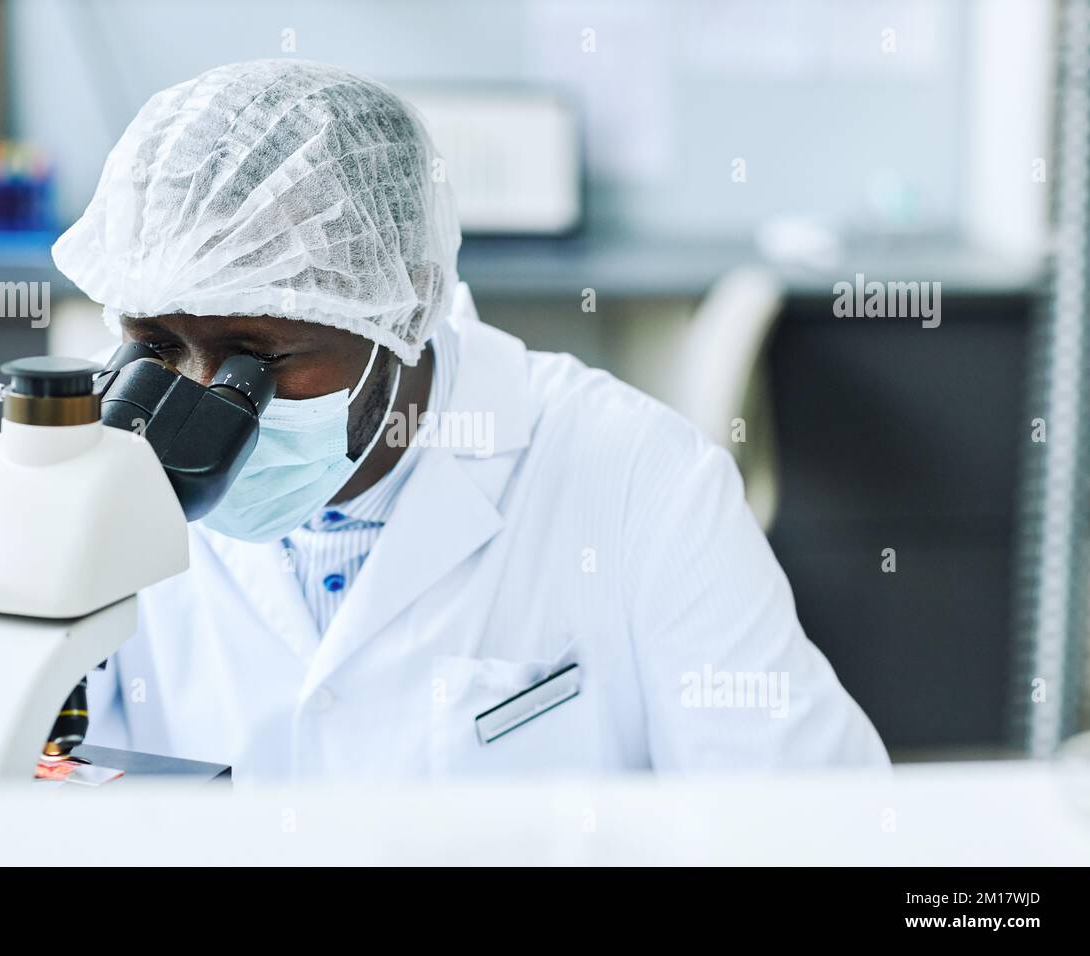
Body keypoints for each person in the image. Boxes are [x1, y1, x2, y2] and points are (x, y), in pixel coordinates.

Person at [52, 59, 888, 781]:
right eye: (155, 344)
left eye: (257, 360)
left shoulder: (643, 481)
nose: (198, 403)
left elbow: (804, 819)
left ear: (407, 302)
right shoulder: (95, 482)